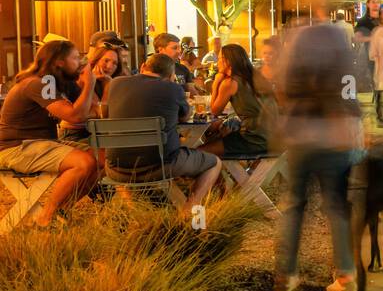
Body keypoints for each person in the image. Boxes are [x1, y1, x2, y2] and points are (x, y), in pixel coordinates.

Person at [275, 0, 364, 291]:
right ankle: (345, 276)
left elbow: (281, 84)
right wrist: (348, 124)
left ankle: (286, 274)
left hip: (299, 133)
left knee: (294, 204)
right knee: (337, 205)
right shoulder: (338, 37)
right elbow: (345, 83)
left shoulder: (296, 35)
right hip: (331, 135)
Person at [0, 40, 104, 226]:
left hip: (42, 143)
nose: (79, 62)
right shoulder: (38, 84)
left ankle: (61, 210)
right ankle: (46, 217)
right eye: (75, 58)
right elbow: (75, 116)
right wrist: (89, 83)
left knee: (102, 158)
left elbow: (94, 108)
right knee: (84, 163)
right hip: (16, 147)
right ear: (59, 62)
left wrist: (85, 84)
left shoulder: (58, 83)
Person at [105, 53, 222, 213]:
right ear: (170, 76)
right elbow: (185, 116)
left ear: (143, 67)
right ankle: (191, 216)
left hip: (116, 169)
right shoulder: (173, 88)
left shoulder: (115, 84)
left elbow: (105, 112)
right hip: (160, 166)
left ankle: (137, 215)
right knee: (214, 163)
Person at [200, 43, 278, 158]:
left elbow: (215, 111)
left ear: (228, 61)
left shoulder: (230, 83)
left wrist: (216, 82)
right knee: (217, 134)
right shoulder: (255, 76)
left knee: (199, 152)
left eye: (220, 59)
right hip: (273, 136)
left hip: (254, 138)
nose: (217, 63)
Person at [60, 43, 124, 141]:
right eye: (106, 60)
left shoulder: (109, 80)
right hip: (75, 134)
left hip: (95, 132)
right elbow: (100, 114)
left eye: (115, 63)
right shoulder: (84, 77)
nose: (110, 66)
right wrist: (107, 86)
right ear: (96, 60)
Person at [354, 0, 383, 125]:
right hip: (371, 57)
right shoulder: (363, 21)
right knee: (377, 84)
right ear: (368, 4)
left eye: (378, 2)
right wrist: (372, 38)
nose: (376, 4)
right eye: (373, 2)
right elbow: (356, 38)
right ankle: (379, 114)